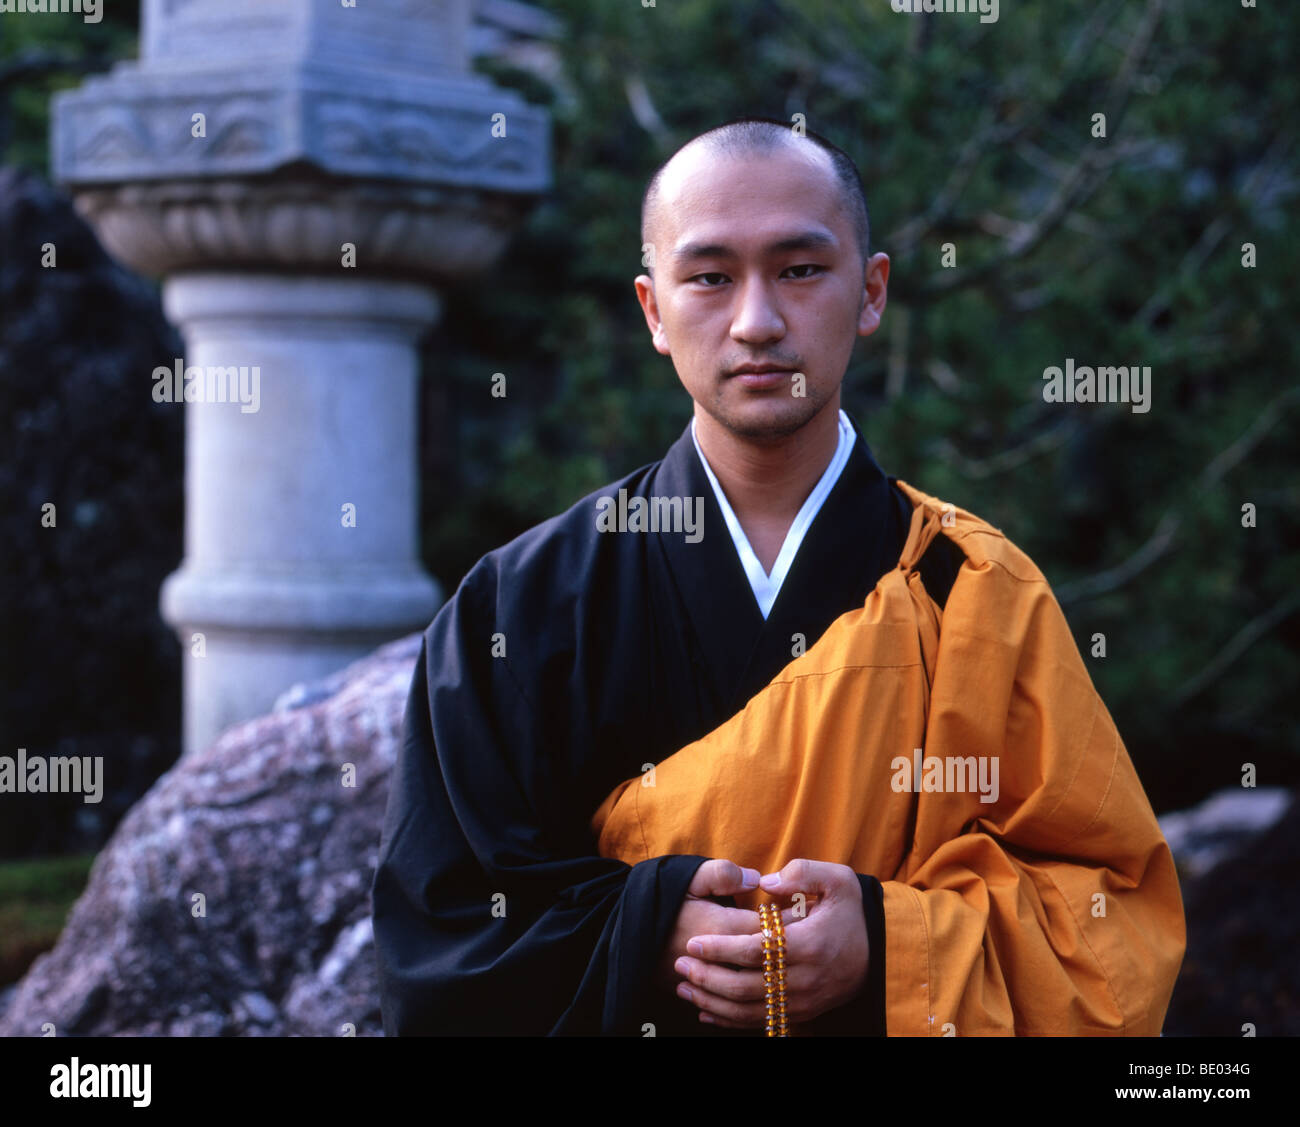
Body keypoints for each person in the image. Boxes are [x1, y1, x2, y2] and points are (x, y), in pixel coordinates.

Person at [370, 115, 1185, 1036]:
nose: (757, 321)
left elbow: (1112, 921)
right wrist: (647, 932)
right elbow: (440, 950)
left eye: (800, 270)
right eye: (710, 277)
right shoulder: (519, 605)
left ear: (871, 292)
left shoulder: (972, 592)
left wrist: (888, 946)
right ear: (653, 312)